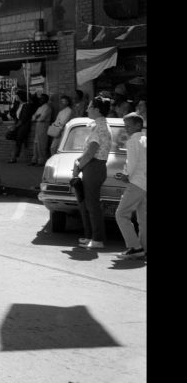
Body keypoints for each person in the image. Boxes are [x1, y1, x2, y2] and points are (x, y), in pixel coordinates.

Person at [72, 95, 112, 250]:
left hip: (94, 167)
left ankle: (97, 239)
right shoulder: (99, 125)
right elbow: (89, 151)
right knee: (89, 203)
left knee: (92, 204)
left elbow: (91, 151)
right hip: (94, 167)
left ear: (96, 109)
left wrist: (79, 166)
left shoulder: (99, 127)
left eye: (89, 107)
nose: (87, 109)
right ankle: (91, 236)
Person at [113, 112, 147, 260]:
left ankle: (135, 247)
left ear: (138, 125)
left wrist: (126, 175)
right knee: (143, 218)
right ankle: (143, 248)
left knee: (121, 214)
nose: (126, 128)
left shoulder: (133, 141)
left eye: (128, 125)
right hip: (144, 183)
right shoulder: (145, 139)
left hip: (136, 183)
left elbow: (131, 163)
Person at [8, 90, 34, 163]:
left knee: (20, 141)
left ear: (20, 96)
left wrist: (15, 126)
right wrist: (13, 102)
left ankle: (16, 157)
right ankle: (14, 157)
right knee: (15, 140)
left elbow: (23, 118)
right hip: (18, 125)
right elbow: (13, 114)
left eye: (16, 95)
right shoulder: (18, 105)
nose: (15, 97)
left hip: (23, 126)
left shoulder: (26, 105)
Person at [31, 92, 54, 165]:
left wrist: (36, 117)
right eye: (40, 99)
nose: (40, 100)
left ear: (46, 100)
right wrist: (36, 117)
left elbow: (42, 118)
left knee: (42, 143)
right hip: (38, 126)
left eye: (42, 99)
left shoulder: (47, 107)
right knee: (36, 143)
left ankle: (41, 160)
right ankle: (35, 159)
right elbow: (33, 117)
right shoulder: (39, 107)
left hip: (44, 126)